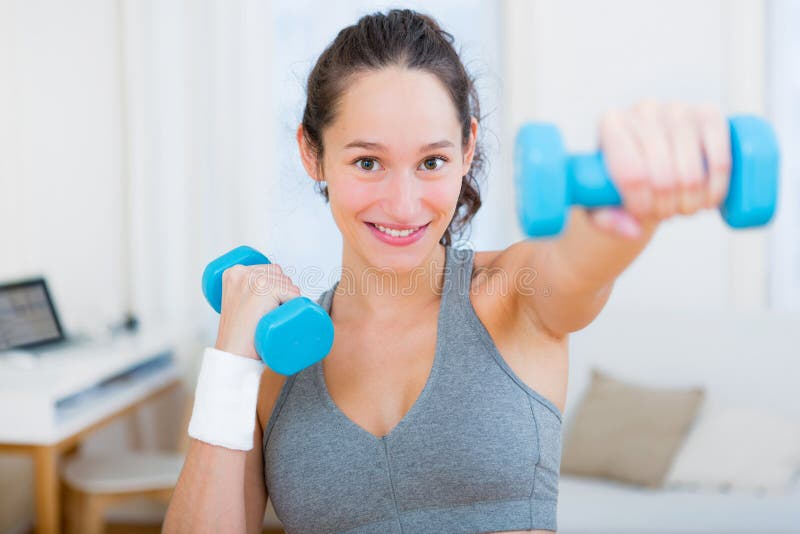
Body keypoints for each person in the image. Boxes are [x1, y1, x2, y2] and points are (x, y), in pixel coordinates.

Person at [164, 8, 731, 534]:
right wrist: (230, 363)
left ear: (468, 148)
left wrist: (628, 206)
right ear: (313, 154)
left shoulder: (513, 296)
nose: (404, 203)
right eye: (368, 162)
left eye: (431, 161)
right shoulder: (275, 367)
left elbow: (579, 265)